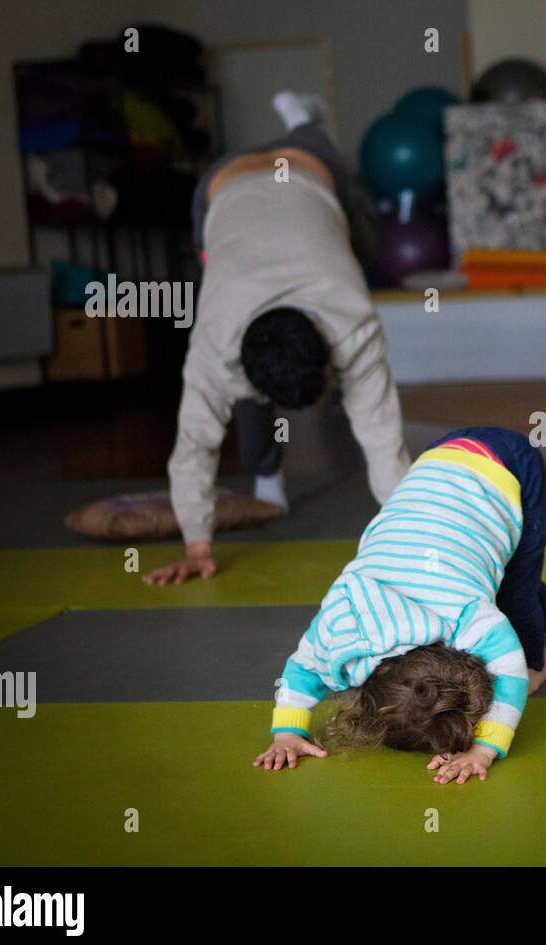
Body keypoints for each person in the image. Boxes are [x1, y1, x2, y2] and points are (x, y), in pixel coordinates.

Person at [144, 91, 409, 585]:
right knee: (239, 394)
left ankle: (304, 121)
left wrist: (414, 533)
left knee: (367, 242)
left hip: (307, 170)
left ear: (329, 346)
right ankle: (267, 472)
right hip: (220, 190)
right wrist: (197, 545)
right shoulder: (215, 347)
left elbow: (381, 436)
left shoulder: (353, 323)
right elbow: (194, 446)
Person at [253, 427, 546, 783]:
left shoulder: (463, 612)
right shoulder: (342, 621)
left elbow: (510, 670)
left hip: (508, 465)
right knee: (504, 578)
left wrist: (484, 749)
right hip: (436, 459)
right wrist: (286, 732)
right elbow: (301, 667)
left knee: (516, 592)